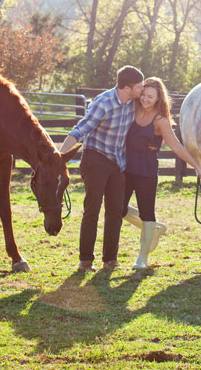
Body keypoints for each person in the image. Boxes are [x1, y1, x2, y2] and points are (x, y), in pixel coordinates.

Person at [59, 66, 144, 271]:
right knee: (93, 209)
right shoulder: (104, 103)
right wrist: (60, 158)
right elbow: (80, 129)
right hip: (95, 159)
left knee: (115, 211)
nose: (142, 90)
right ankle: (86, 260)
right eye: (139, 87)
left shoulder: (133, 103)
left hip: (118, 163)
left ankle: (110, 259)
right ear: (126, 87)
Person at [123, 77, 201, 269]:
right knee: (118, 208)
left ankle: (143, 256)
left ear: (158, 98)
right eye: (143, 94)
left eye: (150, 96)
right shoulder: (132, 109)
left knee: (147, 213)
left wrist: (197, 167)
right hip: (126, 168)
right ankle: (156, 229)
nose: (145, 99)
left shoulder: (160, 120)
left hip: (146, 171)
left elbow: (177, 146)